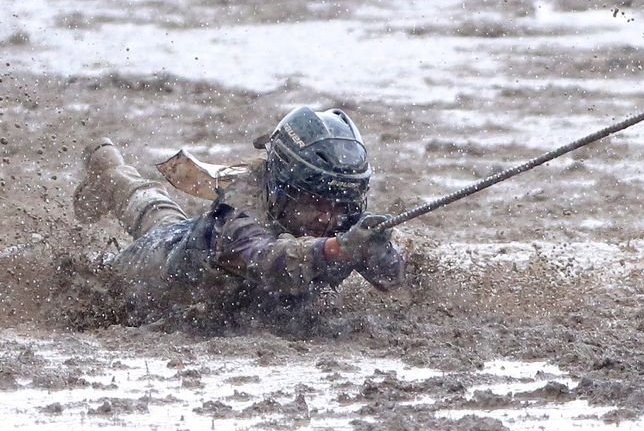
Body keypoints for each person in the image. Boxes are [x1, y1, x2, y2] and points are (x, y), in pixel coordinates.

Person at [72, 105, 405, 330]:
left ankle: (111, 173)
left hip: (192, 239)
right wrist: (336, 249)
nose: (328, 217)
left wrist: (378, 249)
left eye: (340, 204)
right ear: (281, 186)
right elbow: (264, 261)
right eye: (314, 202)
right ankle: (113, 175)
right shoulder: (238, 212)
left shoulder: (342, 217)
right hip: (160, 273)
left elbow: (392, 279)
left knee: (162, 218)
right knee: (98, 269)